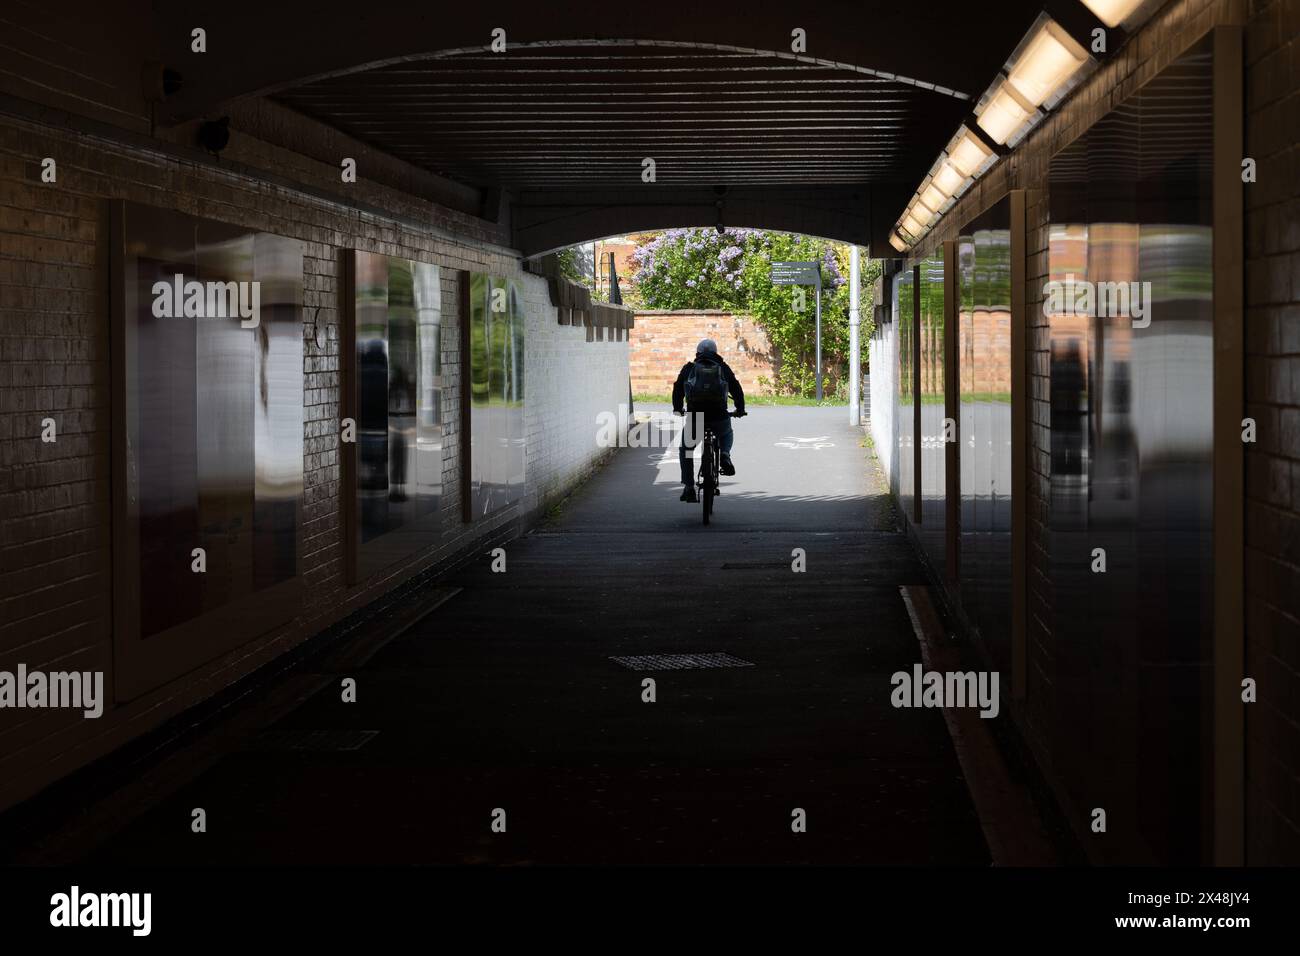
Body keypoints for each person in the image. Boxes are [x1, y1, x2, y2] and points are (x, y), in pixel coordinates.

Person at [672, 338, 746, 502]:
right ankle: (725, 455)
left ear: (697, 353)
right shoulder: (723, 368)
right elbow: (736, 387)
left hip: (695, 417)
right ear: (715, 352)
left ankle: (689, 487)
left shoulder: (689, 368)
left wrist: (677, 408)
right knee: (726, 433)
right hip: (719, 415)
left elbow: (678, 388)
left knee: (686, 449)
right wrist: (740, 409)